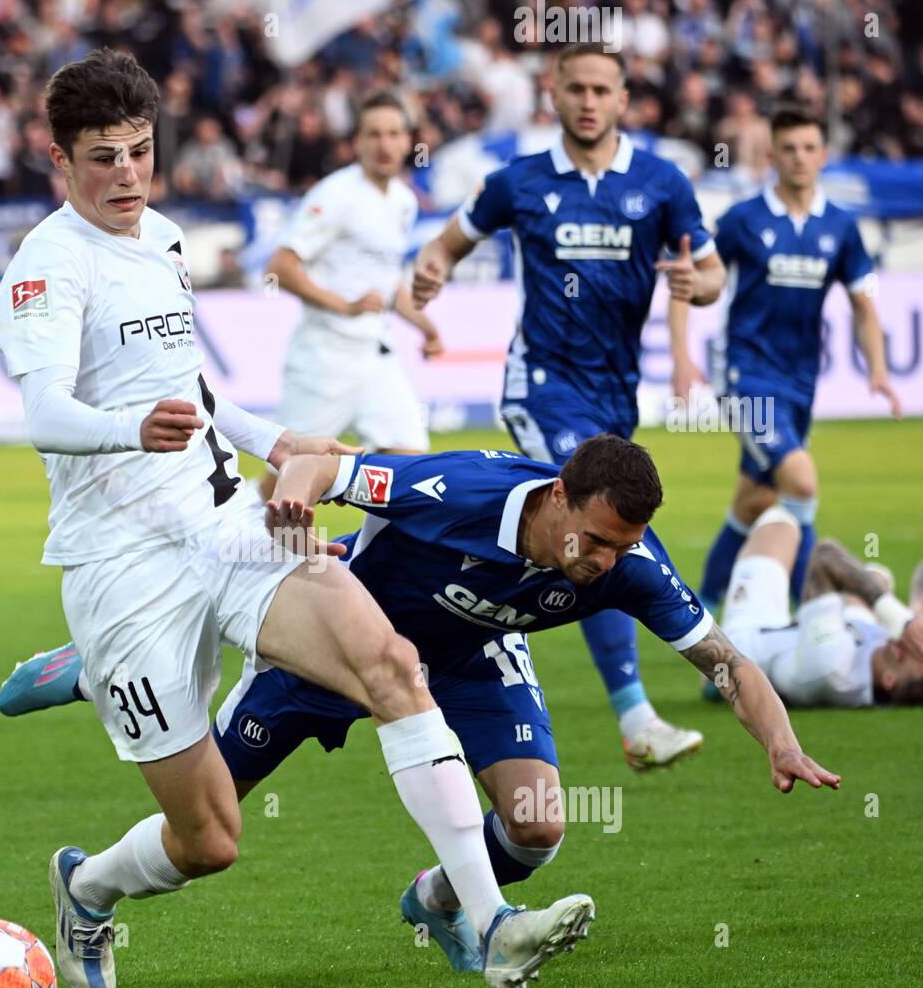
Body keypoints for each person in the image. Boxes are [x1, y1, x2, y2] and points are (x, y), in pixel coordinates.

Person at [0, 48, 590, 988]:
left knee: (391, 662)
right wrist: (127, 431)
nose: (126, 175)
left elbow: (194, 395)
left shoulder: (165, 240)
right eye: (102, 157)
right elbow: (42, 414)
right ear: (59, 159)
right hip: (122, 570)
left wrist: (279, 435)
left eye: (140, 152)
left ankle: (493, 919)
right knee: (210, 840)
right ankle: (88, 882)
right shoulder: (46, 268)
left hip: (227, 525)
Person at [0, 436, 840, 977]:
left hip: (468, 659)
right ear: (556, 498)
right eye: (597, 539)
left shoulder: (629, 564)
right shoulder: (462, 489)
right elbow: (322, 463)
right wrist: (293, 504)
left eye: (625, 546)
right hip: (329, 650)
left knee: (541, 824)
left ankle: (441, 901)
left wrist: (780, 739)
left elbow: (726, 659)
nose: (607, 562)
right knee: (207, 837)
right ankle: (90, 873)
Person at [410, 43, 726, 770]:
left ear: (623, 98)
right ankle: (637, 714)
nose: (588, 101)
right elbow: (448, 245)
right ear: (553, 94)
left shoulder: (662, 181)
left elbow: (707, 274)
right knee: (600, 524)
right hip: (542, 382)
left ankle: (474, 627)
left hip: (614, 390)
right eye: (575, 88)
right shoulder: (516, 181)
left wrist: (694, 289)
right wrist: (429, 277)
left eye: (602, 89)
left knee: (584, 543)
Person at [682, 107, 902, 614]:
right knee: (801, 482)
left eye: (809, 148)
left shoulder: (841, 228)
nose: (800, 158)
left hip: (800, 382)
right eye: (789, 149)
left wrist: (880, 371)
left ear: (823, 155)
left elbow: (864, 307)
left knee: (753, 503)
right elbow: (696, 273)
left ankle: (698, 611)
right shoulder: (743, 219)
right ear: (771, 155)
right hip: (745, 374)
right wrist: (682, 353)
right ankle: (812, 605)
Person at [257, 91, 442, 503]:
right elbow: (279, 268)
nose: (384, 144)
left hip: (375, 357)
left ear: (408, 140)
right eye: (373, 134)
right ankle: (234, 543)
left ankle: (384, 565)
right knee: (285, 481)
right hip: (325, 358)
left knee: (410, 468)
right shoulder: (335, 194)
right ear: (356, 142)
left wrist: (427, 328)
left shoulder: (403, 202)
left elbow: (388, 284)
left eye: (394, 134)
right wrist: (346, 307)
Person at [719, 509, 923, 708]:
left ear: (889, 680)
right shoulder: (889, 654)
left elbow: (825, 555)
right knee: (877, 577)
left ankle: (712, 669)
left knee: (780, 524)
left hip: (748, 641)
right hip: (825, 636)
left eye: (917, 653)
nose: (916, 643)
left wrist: (900, 618)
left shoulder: (831, 668)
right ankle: (813, 605)